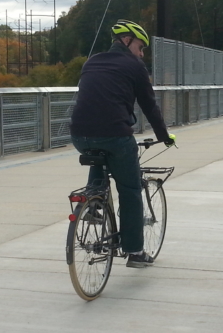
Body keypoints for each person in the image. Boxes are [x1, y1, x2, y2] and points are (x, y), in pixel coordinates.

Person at [69, 20, 175, 268]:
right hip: (115, 134)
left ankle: (94, 201)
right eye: (140, 46)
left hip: (79, 135)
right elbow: (149, 105)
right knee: (130, 190)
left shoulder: (91, 60)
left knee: (99, 152)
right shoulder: (135, 66)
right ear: (126, 41)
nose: (142, 53)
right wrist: (164, 135)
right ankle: (135, 252)